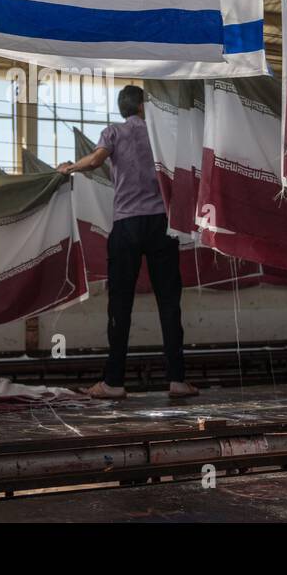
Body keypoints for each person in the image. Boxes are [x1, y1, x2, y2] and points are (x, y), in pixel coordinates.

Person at [58, 84, 198, 400]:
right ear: (142, 106)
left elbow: (95, 162)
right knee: (169, 303)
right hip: (162, 223)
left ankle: (113, 382)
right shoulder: (162, 134)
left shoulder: (114, 132)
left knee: (120, 303)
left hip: (127, 225)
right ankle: (177, 380)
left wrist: (69, 167)